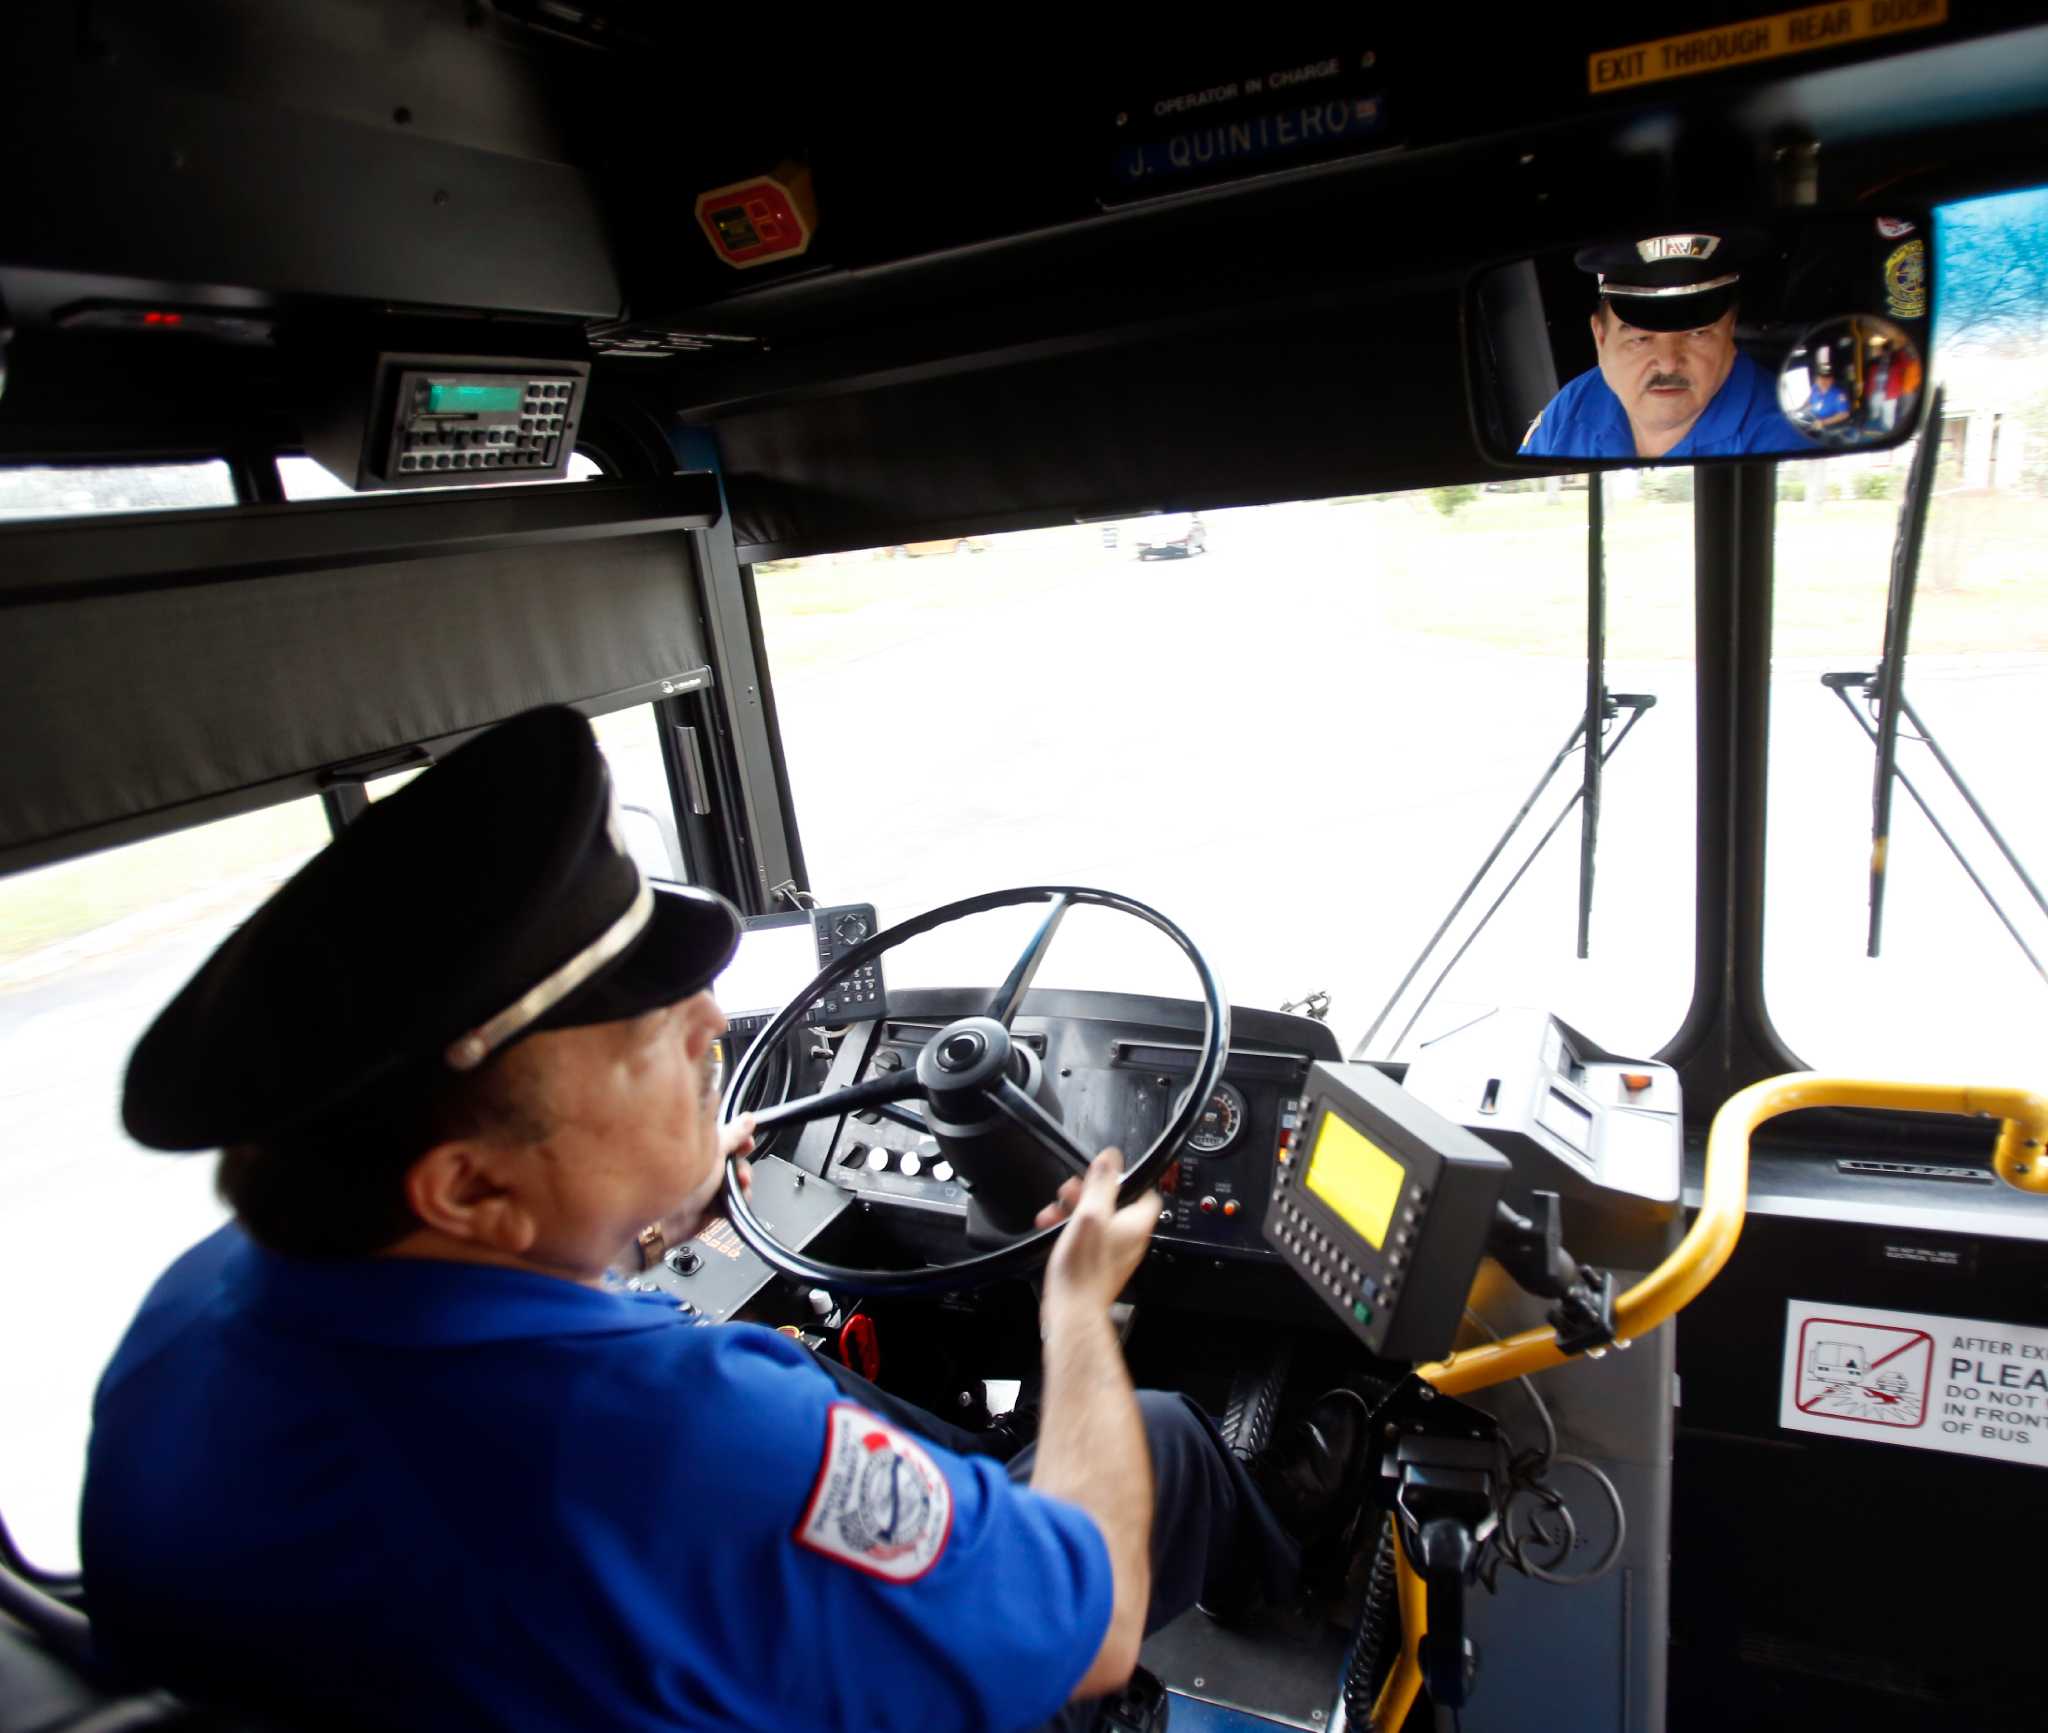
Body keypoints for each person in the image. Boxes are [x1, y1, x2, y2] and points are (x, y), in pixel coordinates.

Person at [83, 706, 1360, 1733]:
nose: (714, 1024)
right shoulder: (667, 1432)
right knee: (1151, 1433)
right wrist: (1076, 1309)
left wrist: (608, 1234)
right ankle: (1306, 1588)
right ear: (470, 1186)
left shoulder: (194, 1306)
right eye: (650, 1039)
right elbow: (1088, 1630)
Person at [1520, 230, 1811, 460]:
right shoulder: (1574, 406)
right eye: (1641, 339)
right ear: (1601, 337)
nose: (1669, 362)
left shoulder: (1786, 440)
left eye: (1697, 334)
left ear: (1730, 331)